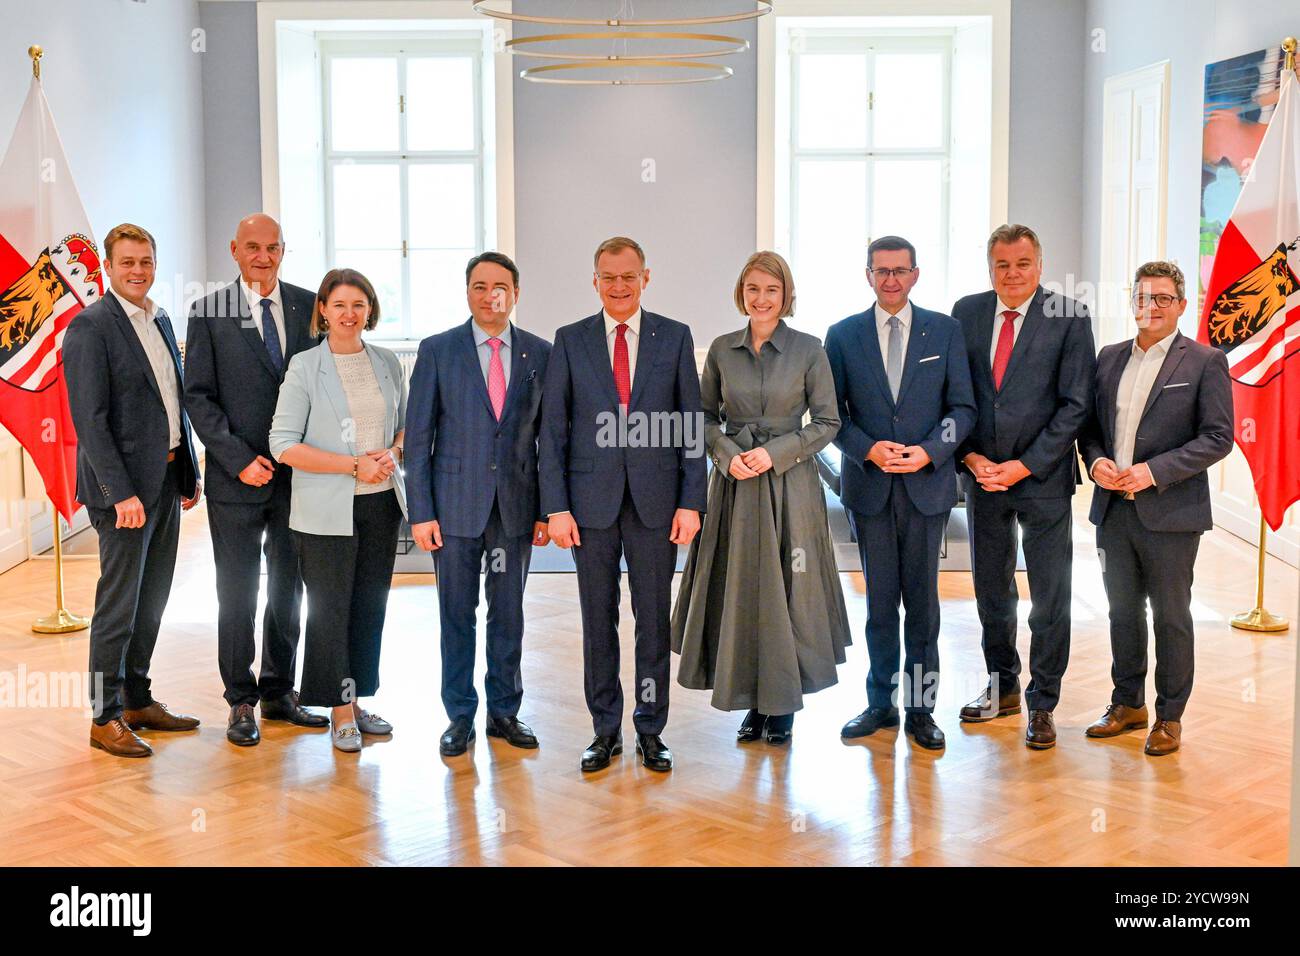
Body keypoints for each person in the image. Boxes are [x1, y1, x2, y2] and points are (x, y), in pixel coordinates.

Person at [539, 236, 707, 773]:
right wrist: (556, 507)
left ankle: (651, 730)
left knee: (653, 620)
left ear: (645, 278)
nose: (618, 286)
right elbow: (554, 431)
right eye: (608, 277)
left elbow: (691, 427)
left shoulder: (674, 337)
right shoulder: (570, 340)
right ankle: (605, 729)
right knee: (597, 619)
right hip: (588, 506)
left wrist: (691, 501)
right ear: (595, 282)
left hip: (658, 504)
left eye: (628, 277)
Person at [672, 251, 849, 745]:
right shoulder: (722, 351)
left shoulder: (810, 349)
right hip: (735, 487)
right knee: (742, 590)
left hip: (788, 484)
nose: (762, 298)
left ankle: (782, 704)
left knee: (789, 591)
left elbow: (829, 422)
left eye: (771, 289)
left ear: (786, 294)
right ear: (741, 293)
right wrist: (726, 454)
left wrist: (775, 455)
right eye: (753, 289)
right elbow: (701, 417)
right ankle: (752, 699)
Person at [826, 236, 976, 751]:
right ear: (867, 275)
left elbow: (964, 411)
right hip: (869, 489)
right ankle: (879, 704)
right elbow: (832, 418)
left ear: (916, 274)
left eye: (900, 271)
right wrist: (867, 450)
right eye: (881, 270)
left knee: (924, 607)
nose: (891, 279)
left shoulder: (947, 330)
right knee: (879, 606)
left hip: (925, 488)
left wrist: (932, 451)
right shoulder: (842, 336)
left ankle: (921, 709)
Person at [1078, 260, 1233, 756]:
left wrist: (1152, 472)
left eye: (1163, 298)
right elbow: (1091, 428)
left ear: (1181, 305)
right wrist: (1097, 461)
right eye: (1143, 297)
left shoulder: (1205, 361)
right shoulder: (1108, 357)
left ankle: (1169, 716)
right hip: (1113, 509)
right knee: (1122, 610)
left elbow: (1218, 437)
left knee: (1170, 615)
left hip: (1170, 512)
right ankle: (1128, 703)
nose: (1151, 307)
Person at [184, 213, 326, 746]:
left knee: (288, 587)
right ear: (234, 250)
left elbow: (323, 386)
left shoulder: (308, 306)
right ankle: (240, 698)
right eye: (252, 247)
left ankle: (279, 691)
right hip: (235, 479)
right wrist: (237, 456)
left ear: (283, 250)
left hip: (297, 478)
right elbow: (197, 396)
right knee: (237, 590)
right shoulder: (208, 312)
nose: (262, 256)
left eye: (272, 247)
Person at [952, 224, 1096, 750]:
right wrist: (969, 457)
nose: (1012, 275)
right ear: (989, 267)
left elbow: (1076, 404)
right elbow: (955, 392)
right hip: (981, 476)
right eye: (1002, 265)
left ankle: (1043, 702)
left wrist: (1025, 465)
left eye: (1022, 264)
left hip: (1044, 478)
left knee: (1050, 595)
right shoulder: (965, 312)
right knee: (992, 589)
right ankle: (1002, 688)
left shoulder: (1069, 315)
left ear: (1040, 263)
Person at [405, 252, 552, 757]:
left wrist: (544, 510)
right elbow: (419, 438)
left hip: (514, 508)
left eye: (501, 287)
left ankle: (505, 712)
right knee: (456, 613)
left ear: (515, 293)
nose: (490, 295)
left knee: (508, 613)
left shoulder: (540, 354)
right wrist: (420, 512)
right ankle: (460, 715)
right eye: (480, 285)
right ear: (467, 292)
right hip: (453, 508)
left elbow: (548, 443)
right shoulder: (438, 351)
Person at [63, 223, 203, 757]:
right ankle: (103, 718)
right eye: (128, 262)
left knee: (154, 597)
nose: (138, 271)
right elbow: (90, 422)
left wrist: (186, 472)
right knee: (118, 604)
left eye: (146, 261)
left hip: (165, 480)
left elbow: (174, 401)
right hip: (122, 493)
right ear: (107, 266)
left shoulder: (161, 319)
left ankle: (137, 698)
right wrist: (120, 492)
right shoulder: (90, 328)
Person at [268, 269, 407, 753]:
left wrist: (393, 452)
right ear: (323, 310)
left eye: (359, 304)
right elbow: (282, 444)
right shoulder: (306, 367)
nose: (350, 314)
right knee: (331, 611)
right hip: (327, 510)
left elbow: (403, 427)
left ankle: (358, 697)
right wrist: (352, 466)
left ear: (370, 310)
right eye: (340, 304)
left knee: (370, 608)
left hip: (382, 505)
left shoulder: (388, 362)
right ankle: (339, 710)